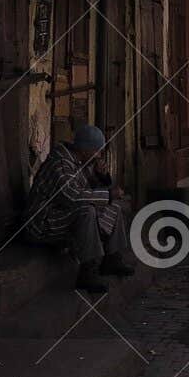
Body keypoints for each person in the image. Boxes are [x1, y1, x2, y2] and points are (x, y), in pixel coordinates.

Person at [24, 124, 134, 294]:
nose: (99, 155)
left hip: (61, 217)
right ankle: (88, 272)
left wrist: (101, 176)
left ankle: (112, 258)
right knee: (86, 211)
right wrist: (108, 194)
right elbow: (73, 197)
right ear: (85, 149)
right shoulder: (60, 164)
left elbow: (91, 191)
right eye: (97, 151)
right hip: (41, 223)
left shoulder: (81, 163)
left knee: (113, 207)